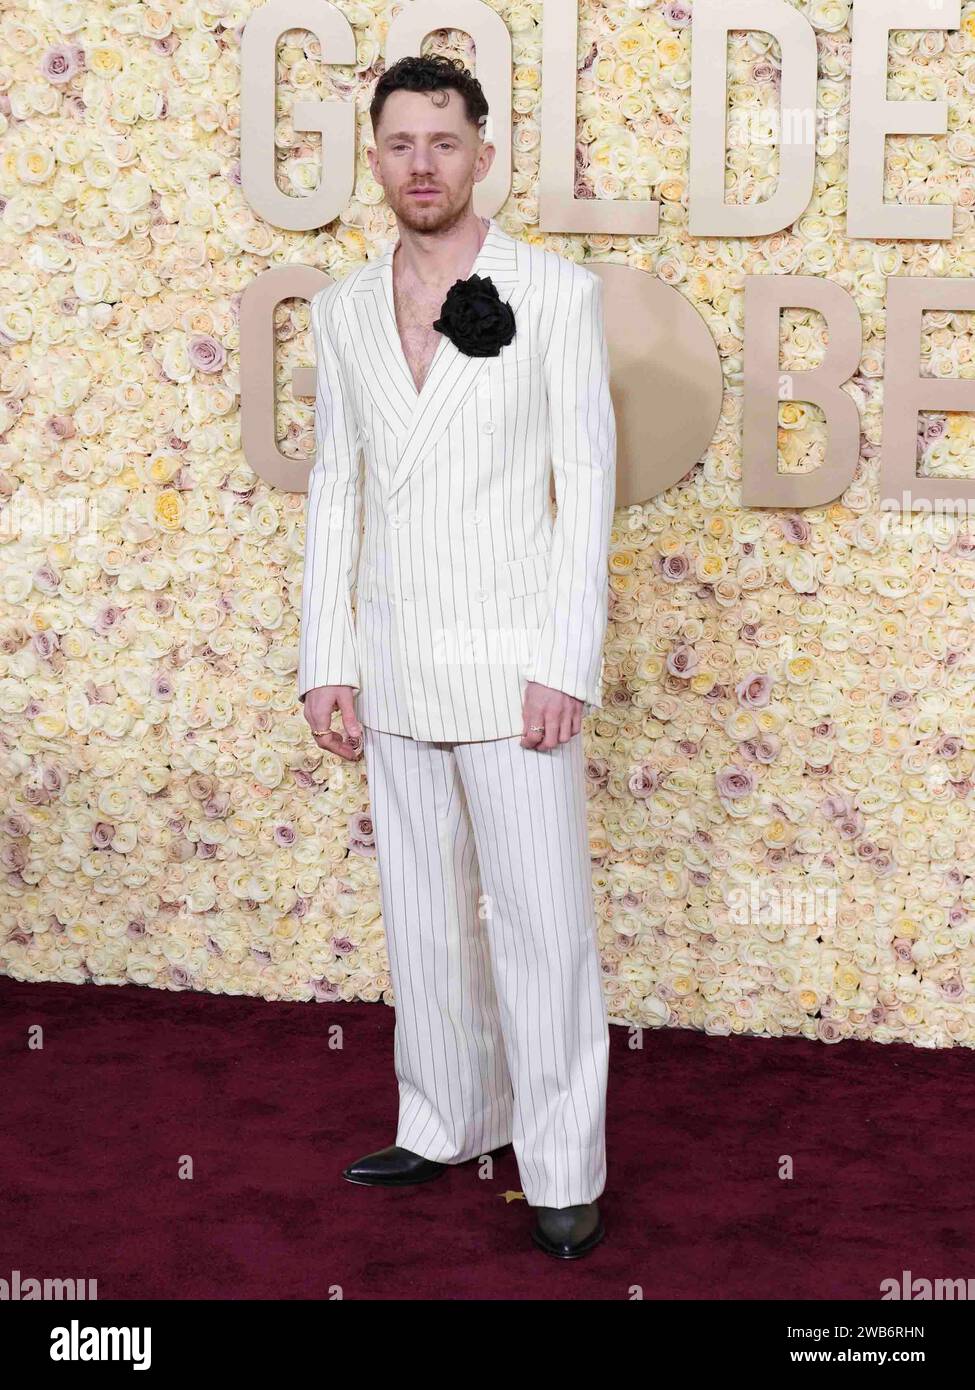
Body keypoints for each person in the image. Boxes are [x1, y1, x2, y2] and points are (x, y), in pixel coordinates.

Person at [298, 53, 617, 1259]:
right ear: (373, 154)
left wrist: (563, 661)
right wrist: (327, 658)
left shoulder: (555, 289)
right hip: (392, 659)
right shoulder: (339, 308)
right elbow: (337, 492)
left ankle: (563, 1162)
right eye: (399, 143)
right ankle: (445, 1116)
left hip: (516, 660)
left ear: (485, 151)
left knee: (543, 923)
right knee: (421, 914)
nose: (420, 164)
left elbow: (583, 488)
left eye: (443, 141)